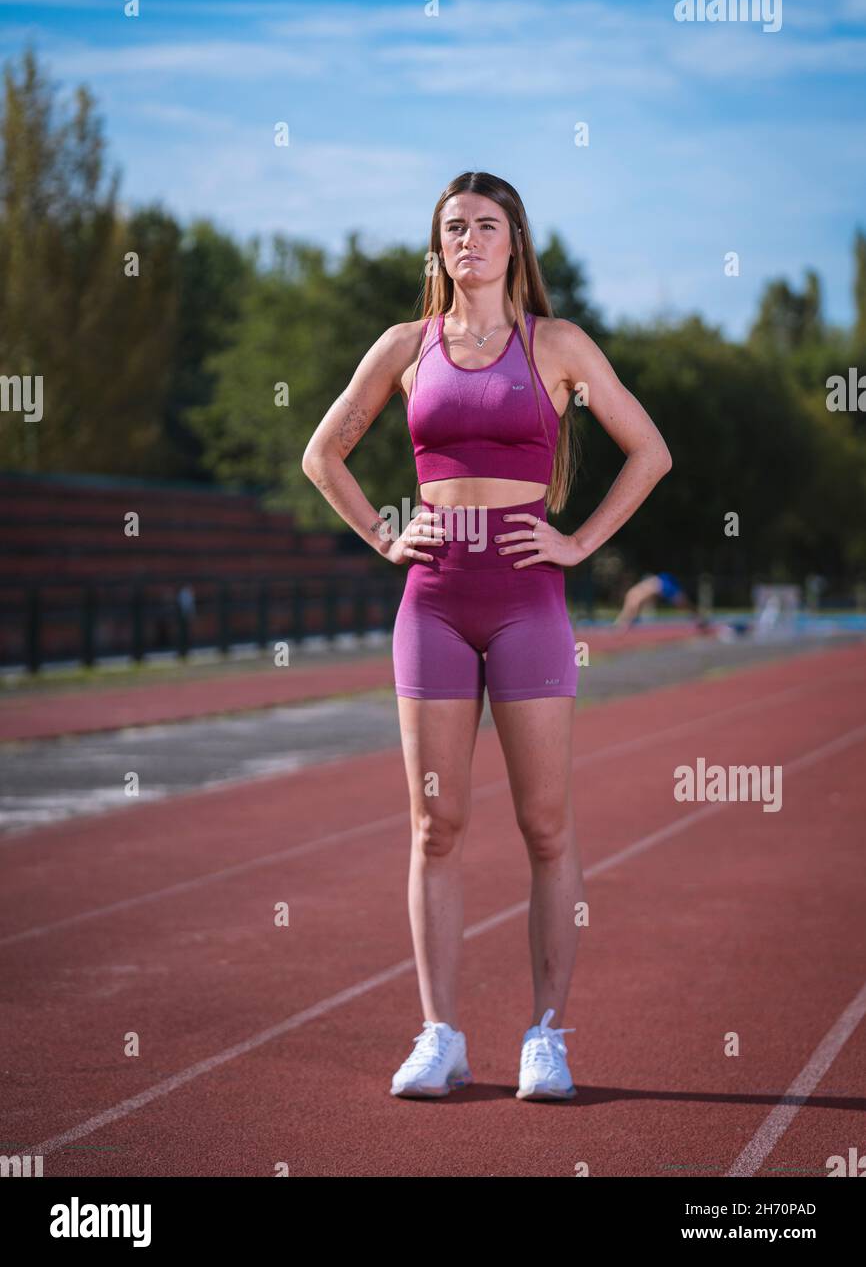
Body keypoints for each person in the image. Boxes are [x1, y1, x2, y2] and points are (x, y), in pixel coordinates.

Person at [302, 171, 672, 1101]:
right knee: (437, 827)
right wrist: (387, 536)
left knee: (545, 826)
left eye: (486, 225)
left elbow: (651, 451)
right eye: (454, 228)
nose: (469, 239)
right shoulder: (403, 347)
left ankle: (546, 1034)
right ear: (440, 247)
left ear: (516, 241)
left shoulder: (558, 345)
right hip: (431, 601)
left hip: (528, 602)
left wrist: (580, 541)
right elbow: (321, 454)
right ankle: (441, 1036)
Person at [615, 572, 712, 632]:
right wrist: (621, 623)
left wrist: (622, 626)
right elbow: (628, 611)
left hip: (663, 585)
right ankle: (699, 617)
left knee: (683, 604)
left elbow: (632, 610)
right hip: (662, 582)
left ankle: (700, 616)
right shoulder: (631, 594)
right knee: (683, 604)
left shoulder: (631, 596)